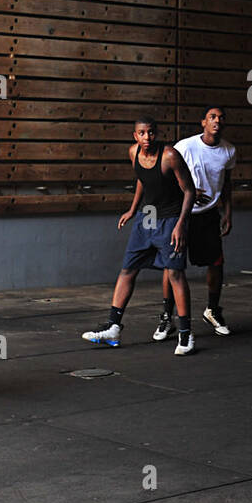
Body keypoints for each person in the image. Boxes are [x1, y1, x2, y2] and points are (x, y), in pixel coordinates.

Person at [83, 118, 198, 354]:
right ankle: (114, 327)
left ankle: (186, 335)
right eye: (142, 134)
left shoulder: (169, 156)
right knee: (127, 269)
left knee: (175, 273)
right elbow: (141, 180)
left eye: (151, 133)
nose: (147, 138)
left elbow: (190, 190)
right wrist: (132, 209)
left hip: (171, 219)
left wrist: (181, 224)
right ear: (135, 136)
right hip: (147, 217)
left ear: (157, 134)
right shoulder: (133, 153)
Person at [156, 107, 236, 341]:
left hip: (209, 214)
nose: (217, 121)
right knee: (172, 266)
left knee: (216, 263)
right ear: (203, 122)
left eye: (221, 117)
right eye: (212, 117)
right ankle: (166, 317)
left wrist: (228, 213)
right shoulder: (185, 146)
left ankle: (212, 310)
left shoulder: (229, 151)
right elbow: (165, 176)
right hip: (181, 213)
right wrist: (187, 192)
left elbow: (228, 184)